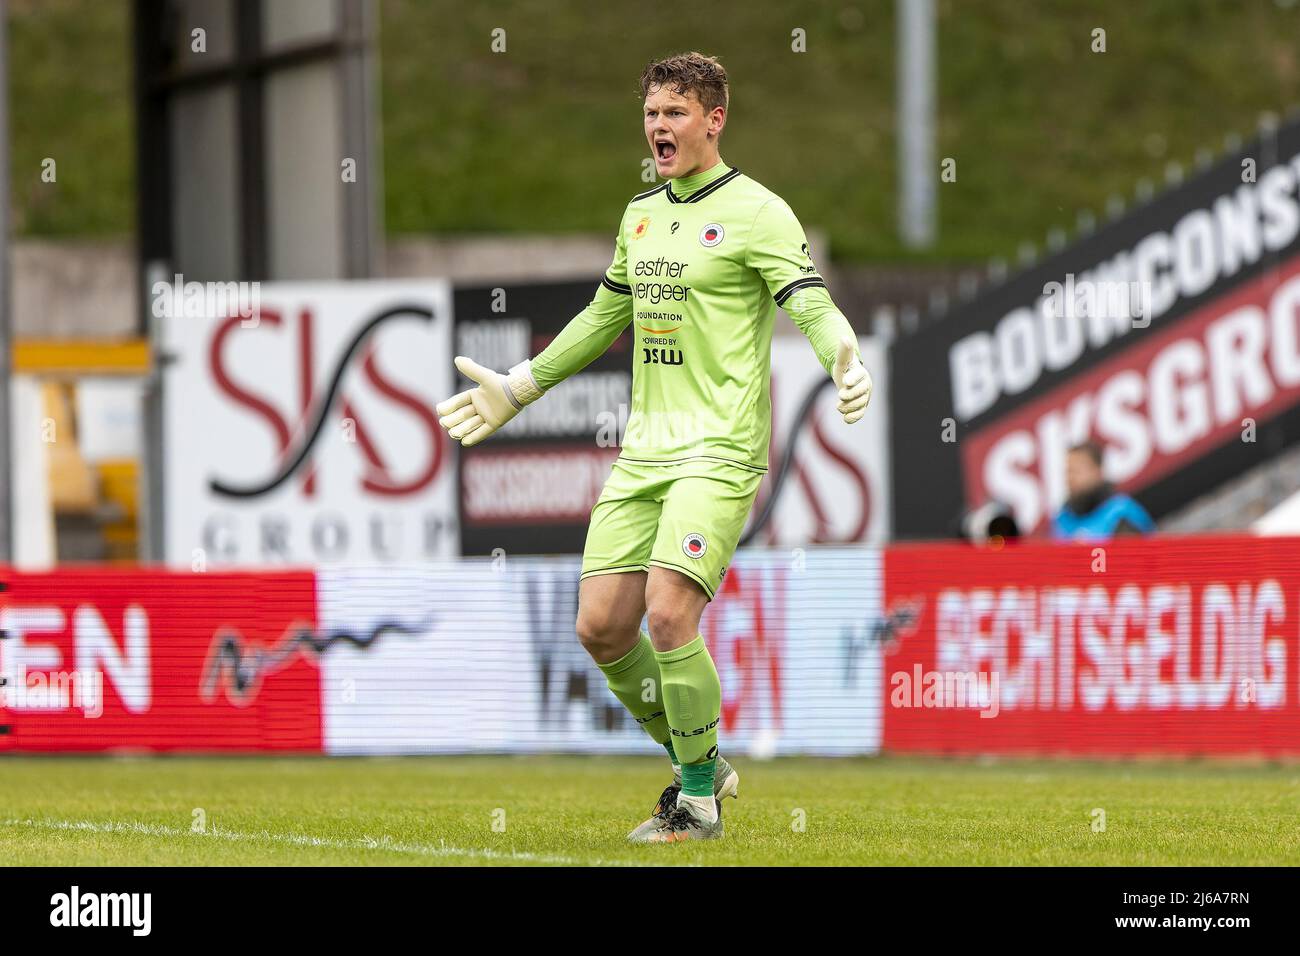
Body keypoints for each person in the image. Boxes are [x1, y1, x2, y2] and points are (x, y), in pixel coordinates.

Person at [435, 52, 872, 843]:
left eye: (675, 113)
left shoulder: (759, 212)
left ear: (715, 120)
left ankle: (697, 804)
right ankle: (699, 756)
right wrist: (519, 387)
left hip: (720, 449)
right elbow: (604, 317)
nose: (659, 128)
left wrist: (841, 351)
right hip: (644, 453)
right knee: (601, 627)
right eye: (651, 114)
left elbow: (808, 299)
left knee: (669, 616)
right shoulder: (641, 215)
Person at [1052, 440, 1154, 540]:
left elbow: (1133, 554)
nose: (1070, 478)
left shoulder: (1120, 514)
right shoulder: (1062, 519)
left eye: (1077, 471)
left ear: (1097, 471)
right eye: (1068, 471)